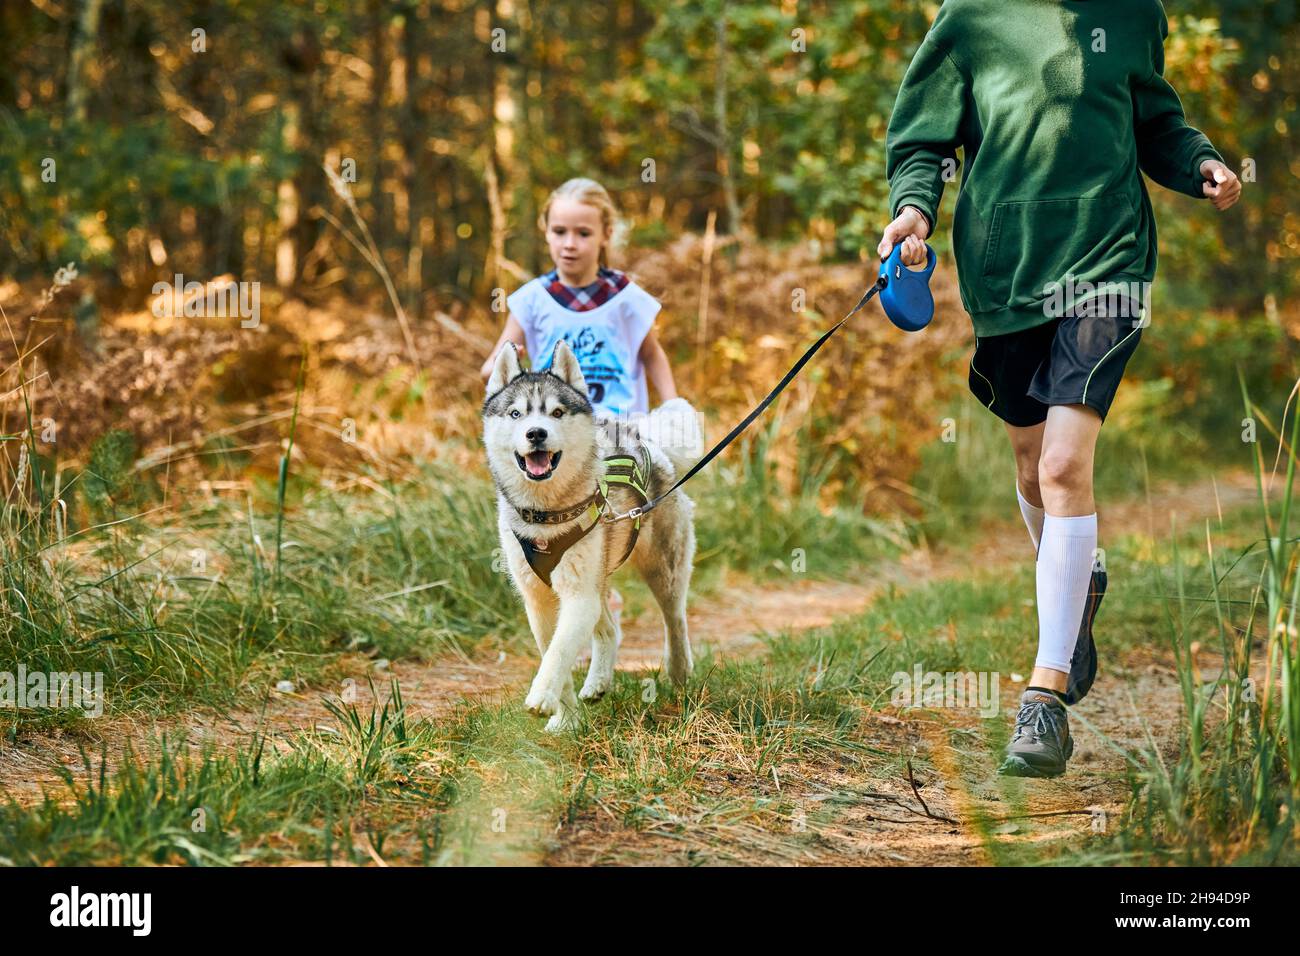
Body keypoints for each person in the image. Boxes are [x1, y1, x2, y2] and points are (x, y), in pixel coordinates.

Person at [878, 0, 1240, 777]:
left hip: (1109, 263)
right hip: (1006, 266)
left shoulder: (1135, 12)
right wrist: (912, 210)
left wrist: (1199, 161)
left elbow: (1155, 120)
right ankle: (1077, 586)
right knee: (1029, 458)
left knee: (1064, 469)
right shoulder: (970, 18)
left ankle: (1042, 700)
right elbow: (922, 138)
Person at [481, 177, 684, 628]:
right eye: (559, 232)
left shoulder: (624, 296)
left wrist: (672, 406)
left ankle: (596, 592)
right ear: (546, 231)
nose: (569, 244)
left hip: (622, 432)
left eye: (583, 233)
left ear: (605, 235)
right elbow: (504, 353)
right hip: (559, 440)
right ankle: (584, 602)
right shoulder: (532, 299)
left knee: (611, 523)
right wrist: (494, 376)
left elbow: (652, 353)